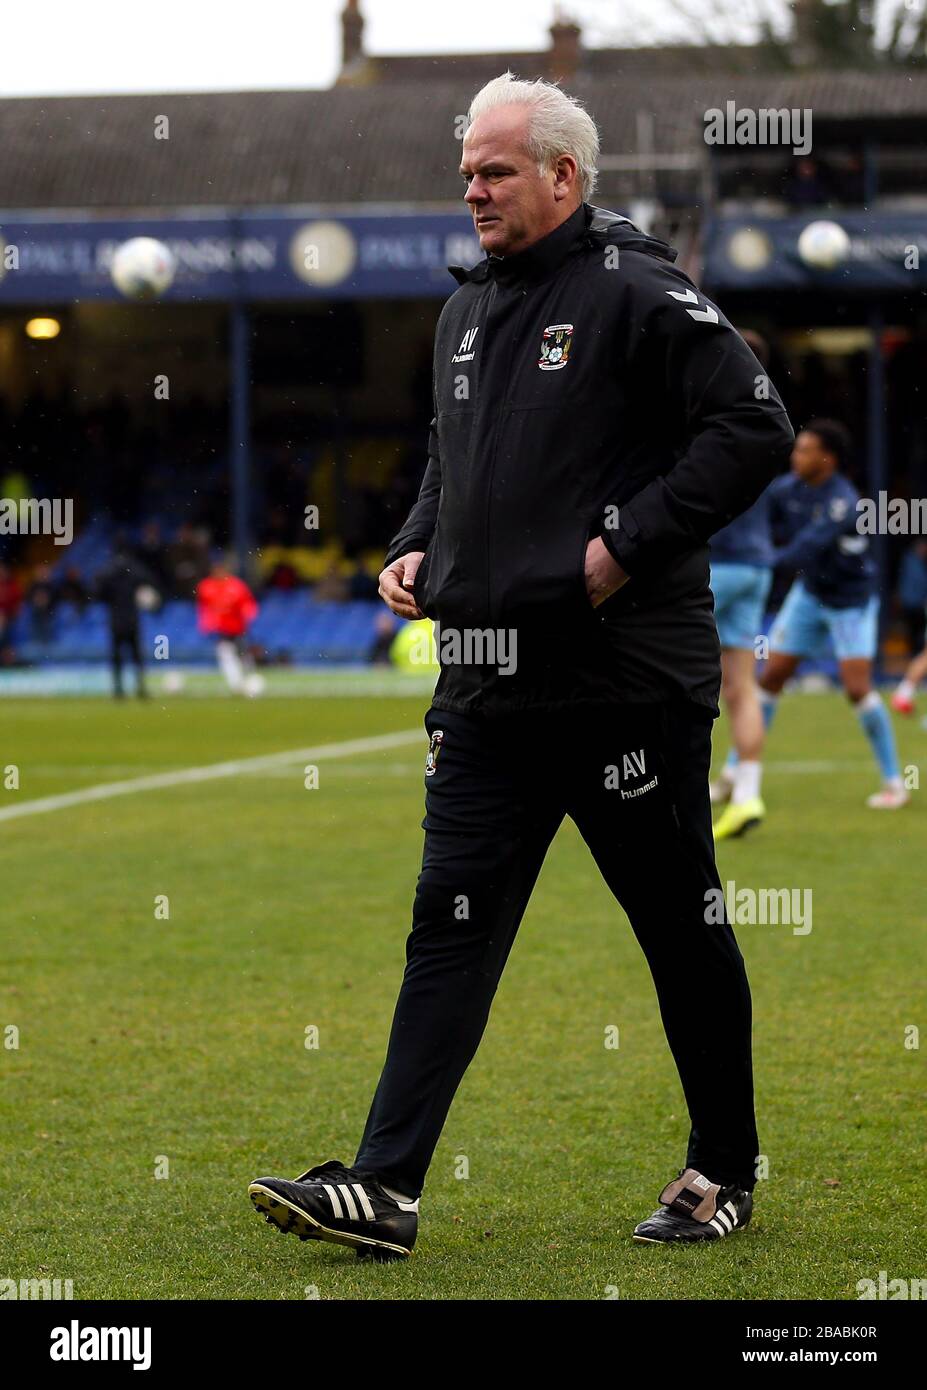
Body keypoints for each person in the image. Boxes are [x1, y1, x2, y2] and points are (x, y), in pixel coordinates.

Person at [249, 72, 794, 1257]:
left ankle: (725, 1162)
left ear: (563, 174)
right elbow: (455, 465)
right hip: (492, 692)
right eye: (467, 171)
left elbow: (753, 427)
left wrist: (622, 546)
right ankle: (386, 1187)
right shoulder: (465, 311)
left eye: (496, 170)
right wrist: (411, 547)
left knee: (676, 924)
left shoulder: (639, 288)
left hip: (624, 688)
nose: (473, 187)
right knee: (448, 927)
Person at [755, 421, 906, 809]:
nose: (796, 456)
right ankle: (737, 774)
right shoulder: (788, 489)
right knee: (770, 677)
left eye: (805, 450)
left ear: (827, 459)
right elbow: (756, 512)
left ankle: (895, 782)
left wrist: (758, 561)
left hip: (850, 602)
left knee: (857, 688)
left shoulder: (845, 501)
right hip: (810, 595)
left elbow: (805, 548)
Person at [709, 330, 777, 841]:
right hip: (757, 564)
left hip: (719, 563)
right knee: (741, 687)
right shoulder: (768, 408)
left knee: (660, 671)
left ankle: (650, 786)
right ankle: (747, 791)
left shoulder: (712, 404)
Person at [95, 538, 158, 700]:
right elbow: (149, 583)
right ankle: (141, 688)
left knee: (117, 656)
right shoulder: (135, 569)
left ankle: (118, 690)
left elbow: (98, 592)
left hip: (115, 618)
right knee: (136, 655)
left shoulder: (108, 571)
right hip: (132, 618)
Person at [196, 559, 258, 693]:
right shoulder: (206, 586)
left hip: (238, 627)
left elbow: (248, 604)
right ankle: (236, 684)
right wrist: (205, 623)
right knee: (225, 654)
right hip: (220, 629)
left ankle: (250, 679)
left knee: (243, 656)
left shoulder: (237, 586)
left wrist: (248, 612)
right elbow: (204, 607)